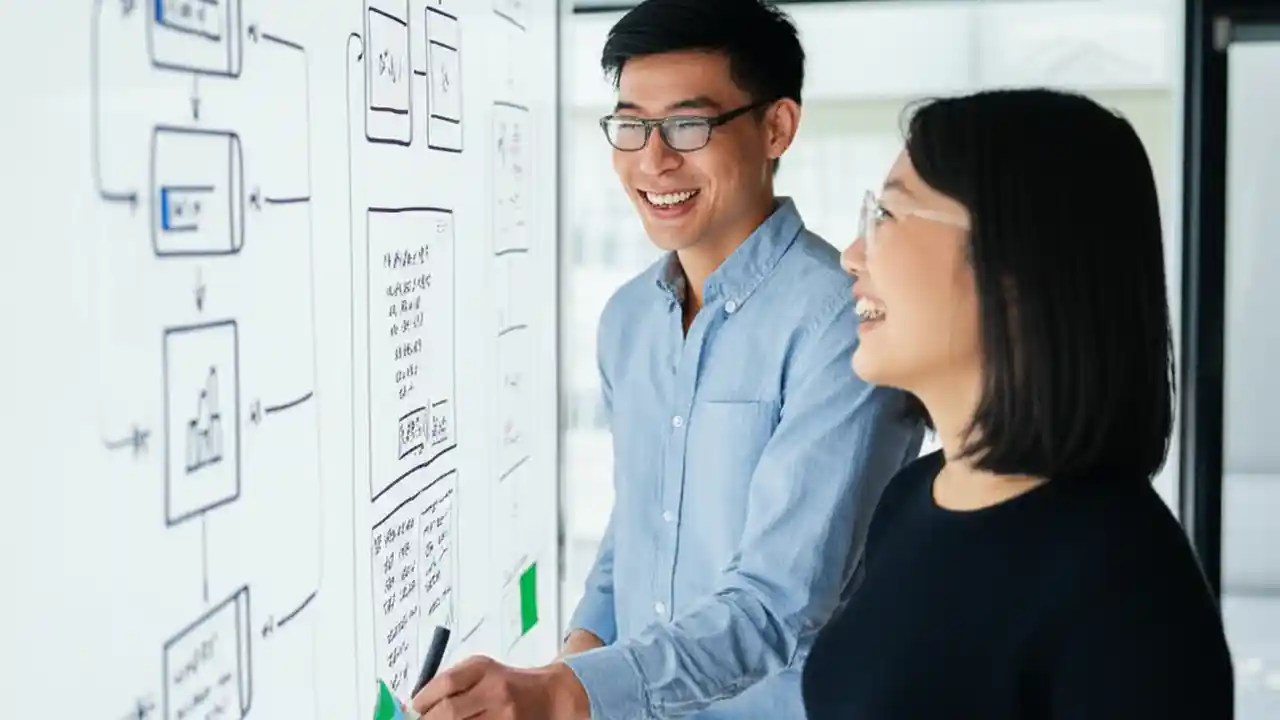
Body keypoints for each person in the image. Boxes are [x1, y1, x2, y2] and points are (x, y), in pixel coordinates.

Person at [410, 0, 922, 717]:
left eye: (688, 125)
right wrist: (568, 665)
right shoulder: (628, 320)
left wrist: (562, 695)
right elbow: (637, 538)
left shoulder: (843, 322)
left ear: (776, 127)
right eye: (631, 126)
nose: (652, 160)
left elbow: (778, 606)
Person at [800, 88, 1235, 718]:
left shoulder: (1126, 594)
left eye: (887, 216)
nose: (851, 254)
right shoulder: (909, 501)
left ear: (1014, 261)